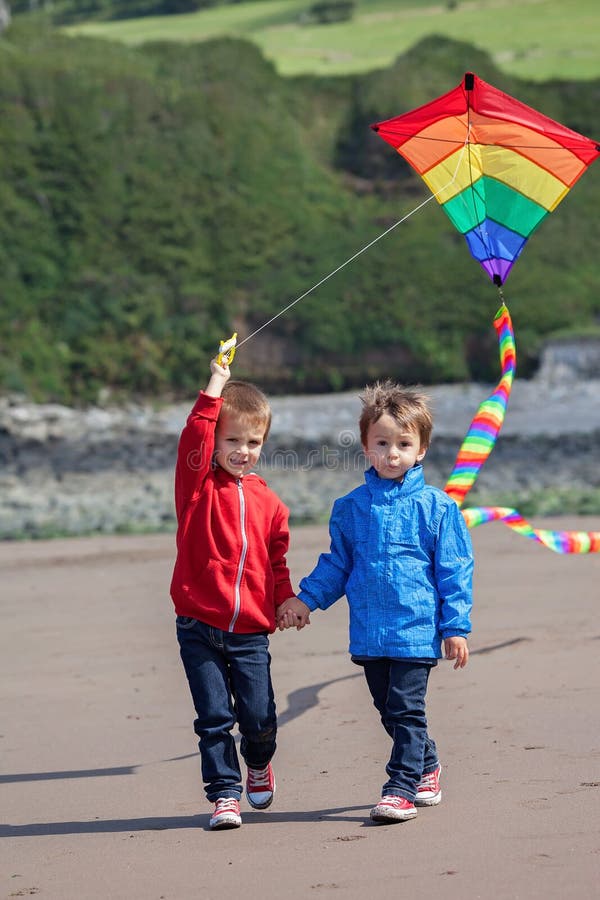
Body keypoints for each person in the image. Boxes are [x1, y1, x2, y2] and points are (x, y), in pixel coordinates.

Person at [277, 380, 473, 824]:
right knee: (388, 710)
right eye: (381, 443)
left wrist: (456, 627)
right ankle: (427, 766)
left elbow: (454, 571)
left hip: (417, 630)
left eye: (403, 444)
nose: (392, 454)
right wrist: (306, 600)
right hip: (369, 629)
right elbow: (337, 565)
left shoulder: (437, 508)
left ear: (421, 449)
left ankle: (400, 787)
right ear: (366, 447)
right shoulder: (350, 508)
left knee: (406, 709)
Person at [170, 357, 297, 830]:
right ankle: (224, 794)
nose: (242, 450)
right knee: (213, 718)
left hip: (249, 630)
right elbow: (194, 437)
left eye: (253, 442)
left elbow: (276, 561)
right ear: (215, 442)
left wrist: (284, 599)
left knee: (259, 717)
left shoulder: (269, 503)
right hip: (198, 625)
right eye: (232, 440)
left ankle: (259, 762)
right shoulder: (197, 486)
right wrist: (216, 382)